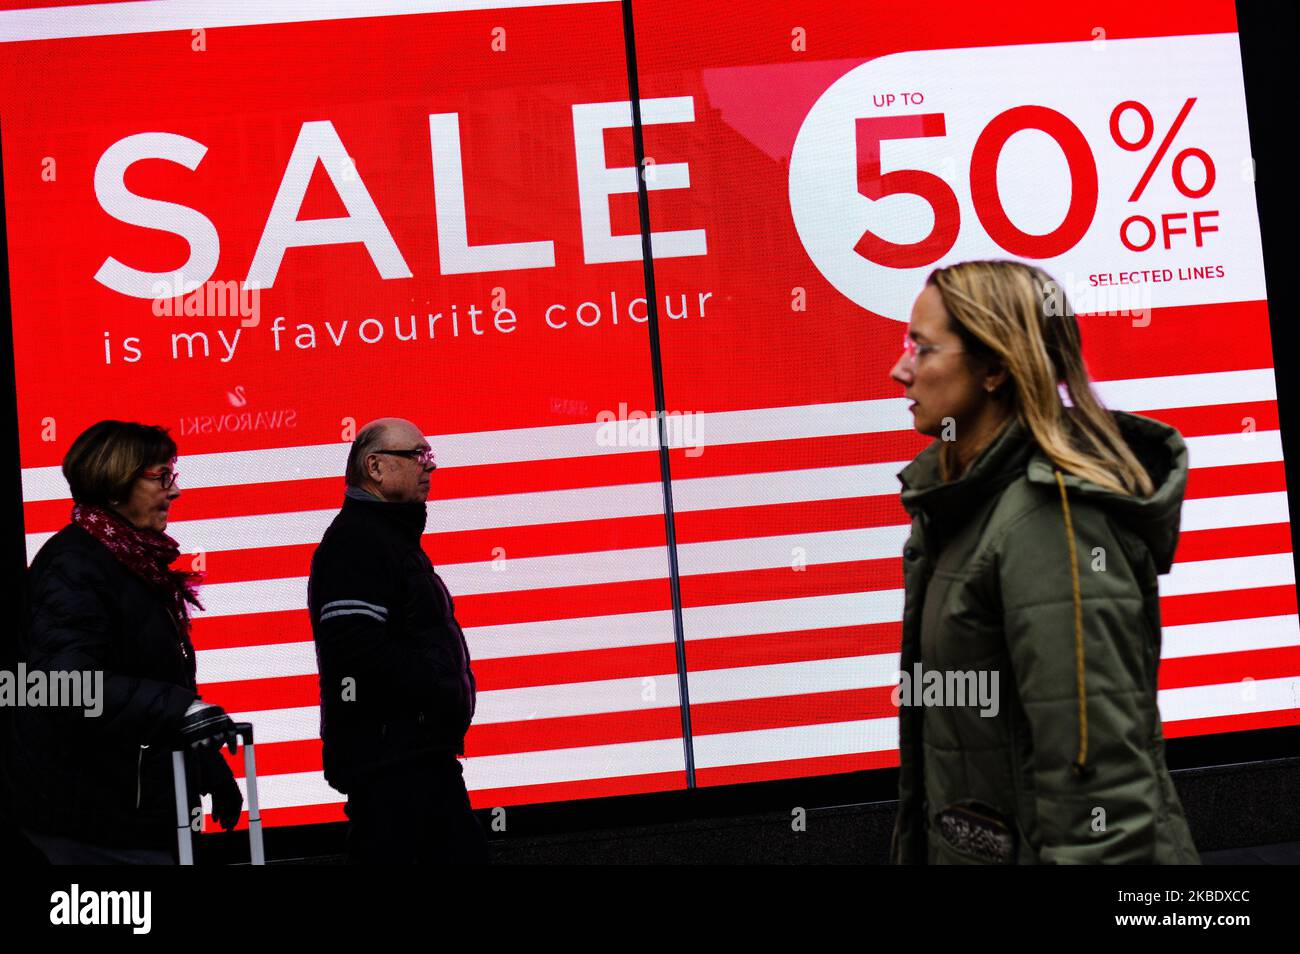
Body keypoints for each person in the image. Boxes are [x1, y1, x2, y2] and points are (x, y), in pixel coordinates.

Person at [887, 260, 1199, 864]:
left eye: (922, 349)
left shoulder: (1055, 524)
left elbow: (1102, 799)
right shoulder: (963, 504)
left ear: (996, 369)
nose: (900, 370)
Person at [11, 420, 243, 864]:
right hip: (94, 826)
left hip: (128, 813)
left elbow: (148, 676)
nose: (173, 492)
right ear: (115, 485)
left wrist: (205, 766)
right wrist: (180, 708)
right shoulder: (75, 567)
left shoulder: (129, 558)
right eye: (161, 477)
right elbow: (64, 687)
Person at [309, 417, 486, 864]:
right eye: (417, 455)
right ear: (375, 467)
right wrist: (438, 690)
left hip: (415, 760)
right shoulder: (357, 541)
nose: (430, 467)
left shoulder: (387, 537)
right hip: (397, 768)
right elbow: (358, 651)